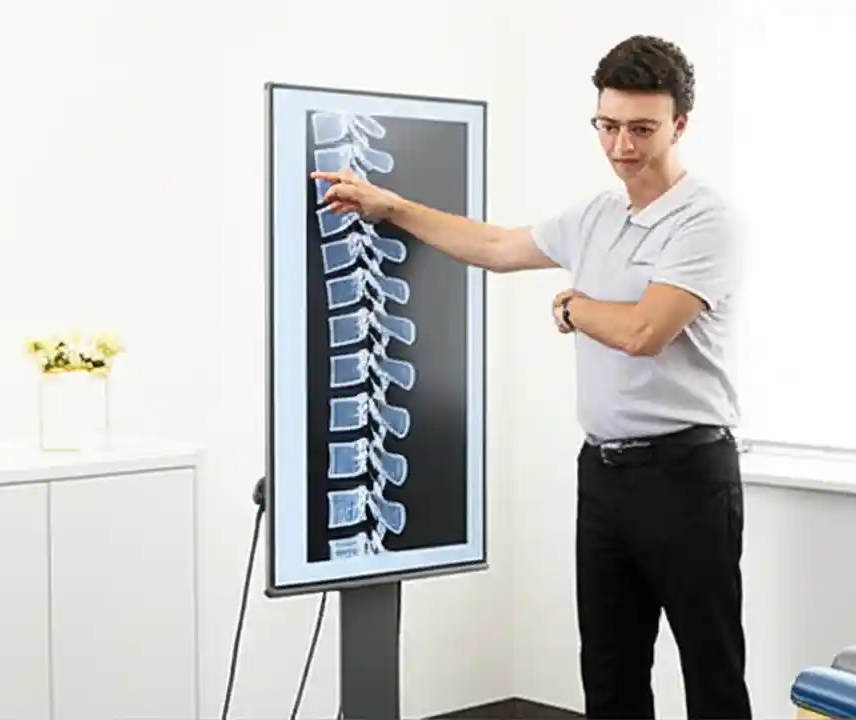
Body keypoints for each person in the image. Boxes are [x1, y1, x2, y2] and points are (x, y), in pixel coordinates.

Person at [312, 35, 750, 719]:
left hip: (687, 477)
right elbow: (494, 245)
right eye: (608, 126)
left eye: (642, 129)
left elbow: (644, 331)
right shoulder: (596, 215)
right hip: (604, 475)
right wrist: (390, 207)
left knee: (712, 673)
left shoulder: (708, 220)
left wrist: (572, 307)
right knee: (609, 673)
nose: (622, 146)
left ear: (680, 126)